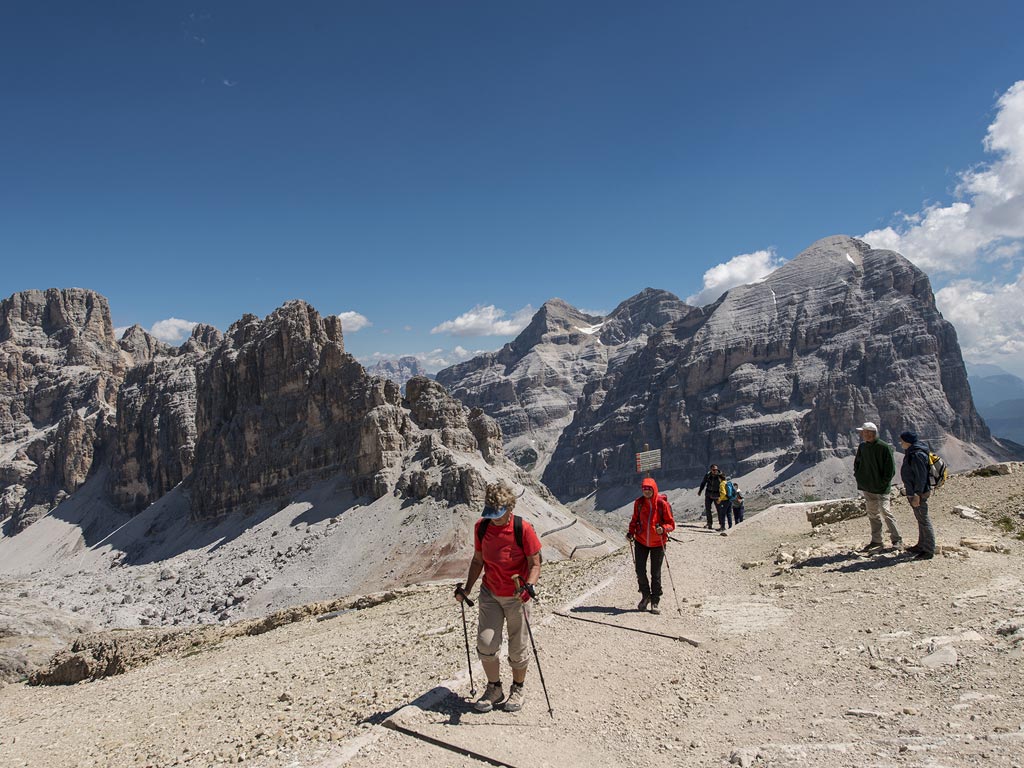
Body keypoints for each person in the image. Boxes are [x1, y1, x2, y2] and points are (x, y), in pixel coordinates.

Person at [455, 481, 542, 713]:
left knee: (518, 647)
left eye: (499, 515)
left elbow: (535, 563)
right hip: (491, 593)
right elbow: (477, 560)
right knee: (486, 644)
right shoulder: (481, 528)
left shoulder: (522, 529)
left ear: (509, 509)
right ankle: (495, 688)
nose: (494, 519)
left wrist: (529, 586)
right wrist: (467, 589)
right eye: (491, 514)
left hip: (517, 595)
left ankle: (518, 688)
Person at [628, 478, 675, 614]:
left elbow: (671, 524)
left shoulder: (662, 504)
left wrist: (663, 529)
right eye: (644, 489)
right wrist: (631, 533)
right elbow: (634, 520)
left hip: (658, 543)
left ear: (654, 489)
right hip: (641, 541)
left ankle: (655, 601)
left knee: (655, 573)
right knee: (640, 570)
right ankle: (645, 595)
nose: (646, 492)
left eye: (649, 489)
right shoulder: (639, 503)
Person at [853, 421, 902, 551]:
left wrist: (882, 483)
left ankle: (897, 539)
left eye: (864, 432)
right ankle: (876, 541)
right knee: (872, 513)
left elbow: (890, 469)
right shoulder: (863, 447)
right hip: (868, 487)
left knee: (886, 512)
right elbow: (857, 462)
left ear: (870, 433)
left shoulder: (884, 447)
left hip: (881, 488)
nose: (862, 434)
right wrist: (859, 476)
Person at [899, 431, 935, 560]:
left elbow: (921, 477)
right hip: (915, 491)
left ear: (907, 441)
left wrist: (917, 494)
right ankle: (921, 545)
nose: (900, 443)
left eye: (902, 440)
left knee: (924, 519)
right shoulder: (913, 452)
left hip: (918, 492)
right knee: (920, 519)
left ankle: (929, 550)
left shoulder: (917, 454)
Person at [697, 464, 722, 529]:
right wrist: (700, 491)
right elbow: (703, 483)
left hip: (717, 495)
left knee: (719, 510)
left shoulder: (720, 476)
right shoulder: (708, 475)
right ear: (711, 470)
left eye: (716, 469)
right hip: (708, 494)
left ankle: (721, 524)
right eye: (714, 470)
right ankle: (709, 523)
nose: (715, 471)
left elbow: (724, 485)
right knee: (708, 509)